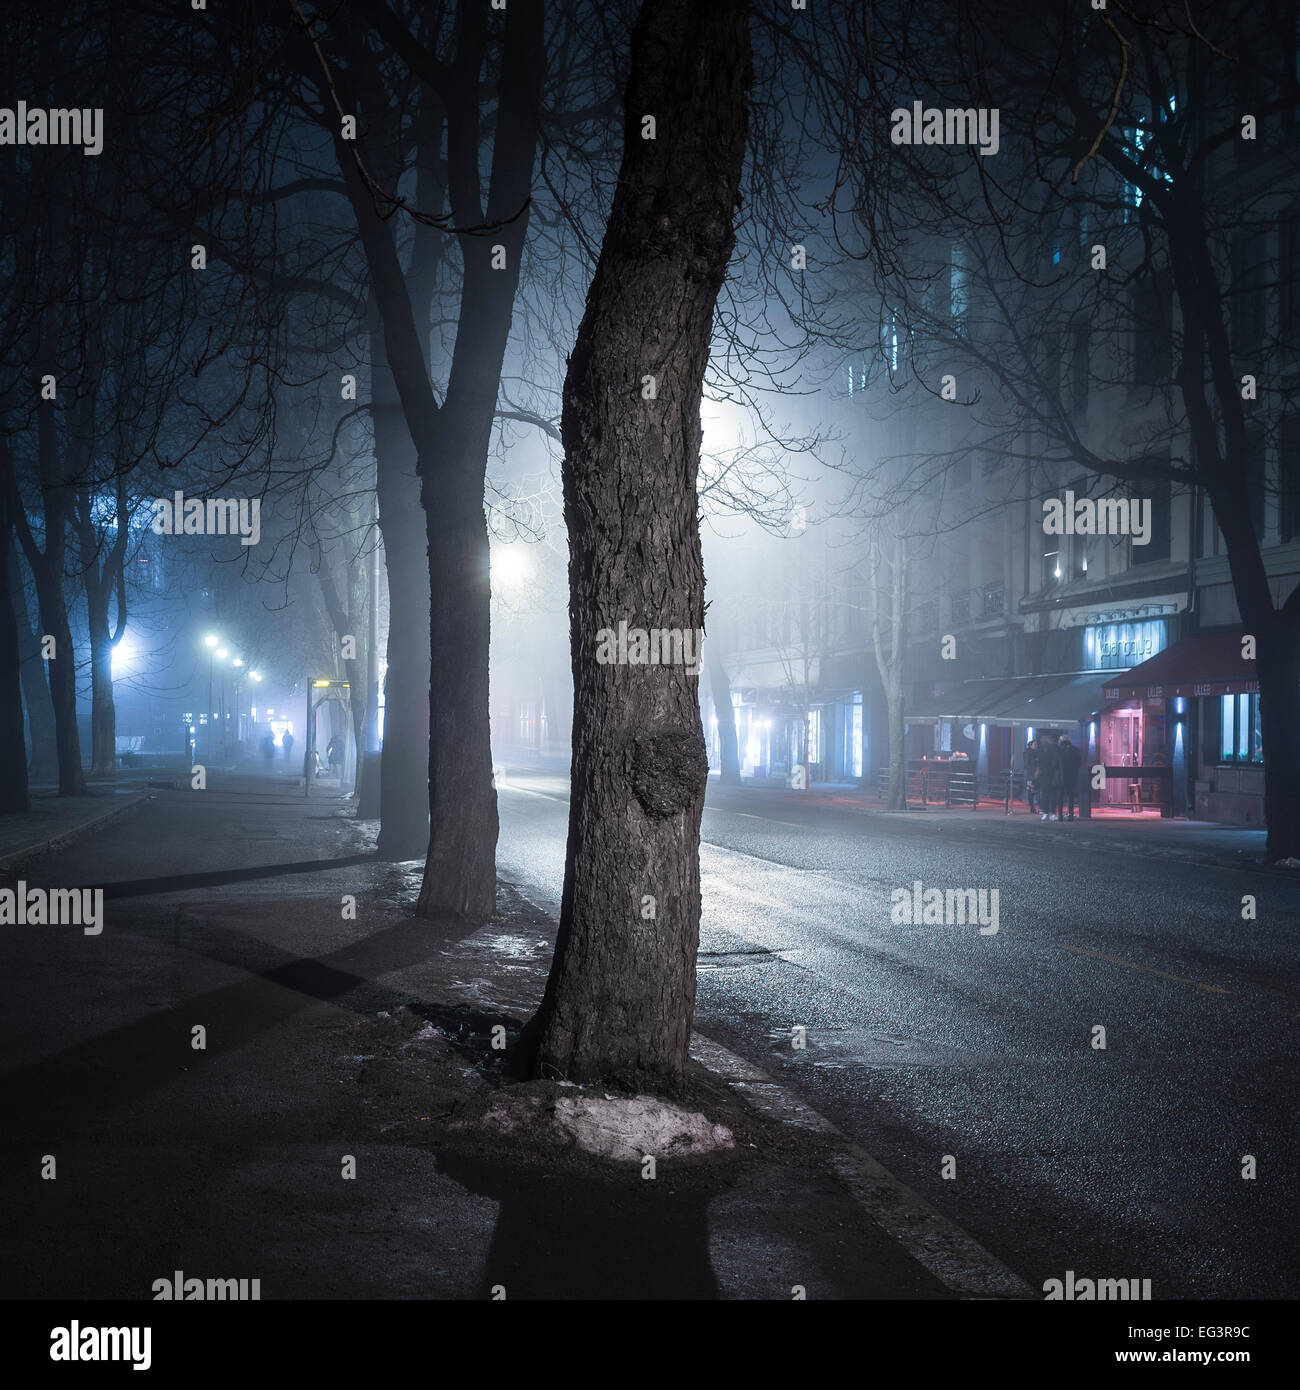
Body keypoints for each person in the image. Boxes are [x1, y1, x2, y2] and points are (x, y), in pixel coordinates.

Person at [1037, 734, 1063, 821]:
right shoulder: (1052, 749)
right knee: (1050, 794)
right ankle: (1050, 812)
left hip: (1049, 775)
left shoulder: (1046, 749)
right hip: (1049, 775)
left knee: (1047, 794)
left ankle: (1047, 812)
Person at [1058, 734, 1082, 820]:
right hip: (1071, 776)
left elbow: (1054, 763)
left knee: (1060, 796)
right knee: (1070, 796)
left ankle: (1060, 815)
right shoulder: (1074, 750)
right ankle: (1070, 814)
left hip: (1060, 776)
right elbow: (1079, 763)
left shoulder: (1059, 750)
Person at [1024, 738, 1040, 814]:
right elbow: (1027, 765)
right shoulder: (1028, 753)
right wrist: (1034, 772)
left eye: (1036, 744)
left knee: (1034, 791)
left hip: (1036, 775)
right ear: (1030, 745)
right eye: (1035, 744)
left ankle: (1035, 807)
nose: (1036, 745)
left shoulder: (1037, 752)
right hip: (1030, 776)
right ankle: (1032, 807)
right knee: (1031, 791)